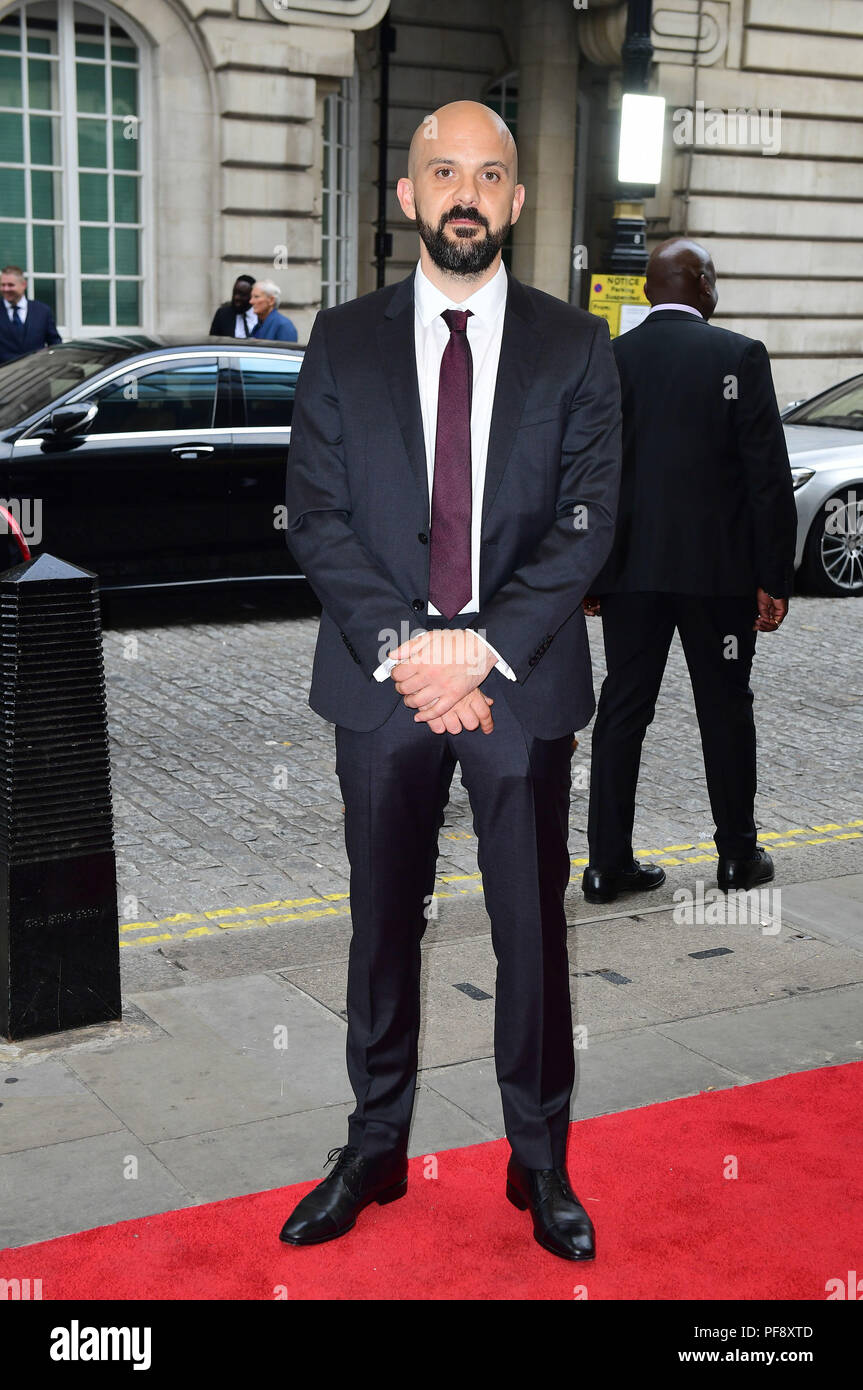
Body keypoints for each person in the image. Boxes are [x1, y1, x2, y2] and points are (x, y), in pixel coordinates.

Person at [280, 100, 621, 1261]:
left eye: (487, 174)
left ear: (517, 201)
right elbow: (317, 519)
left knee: (529, 930)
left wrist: (475, 648)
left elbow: (584, 526)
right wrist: (408, 650)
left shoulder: (575, 346)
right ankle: (375, 1145)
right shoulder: (340, 340)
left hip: (514, 686)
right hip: (382, 688)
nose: (464, 193)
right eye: (442, 172)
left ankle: (539, 1160)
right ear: (407, 196)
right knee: (381, 925)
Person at [581, 237, 797, 905]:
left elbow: (587, 474)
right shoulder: (737, 355)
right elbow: (767, 479)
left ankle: (605, 866)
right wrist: (773, 578)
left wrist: (589, 572)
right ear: (703, 285)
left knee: (622, 709)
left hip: (630, 574)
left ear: (647, 291)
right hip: (718, 575)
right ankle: (736, 856)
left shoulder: (612, 359)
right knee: (724, 709)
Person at [0, 266, 61, 364]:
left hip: (37, 375)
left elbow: (55, 344)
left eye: (10, 285)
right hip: (3, 376)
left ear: (23, 285)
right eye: (3, 285)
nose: (6, 289)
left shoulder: (43, 311)